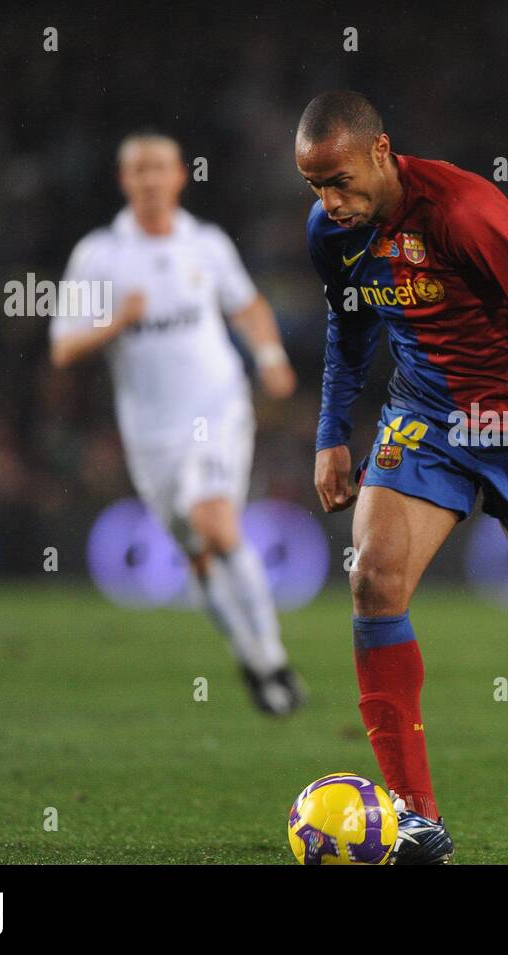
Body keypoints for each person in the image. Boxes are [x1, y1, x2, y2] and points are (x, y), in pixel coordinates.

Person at [297, 90, 508, 863]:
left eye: (339, 180)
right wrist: (331, 436)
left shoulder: (466, 211)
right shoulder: (332, 234)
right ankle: (415, 816)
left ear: (382, 153)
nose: (330, 202)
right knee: (373, 580)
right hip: (426, 419)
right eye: (314, 187)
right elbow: (350, 326)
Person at [50, 132, 305, 715]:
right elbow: (63, 347)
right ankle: (252, 657)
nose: (149, 179)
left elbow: (248, 306)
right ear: (124, 181)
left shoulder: (206, 245)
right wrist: (117, 321)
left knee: (216, 523)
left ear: (180, 176)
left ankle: (273, 655)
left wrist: (270, 359)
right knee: (197, 554)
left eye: (159, 168)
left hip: (217, 409)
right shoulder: (100, 254)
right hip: (150, 431)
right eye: (138, 169)